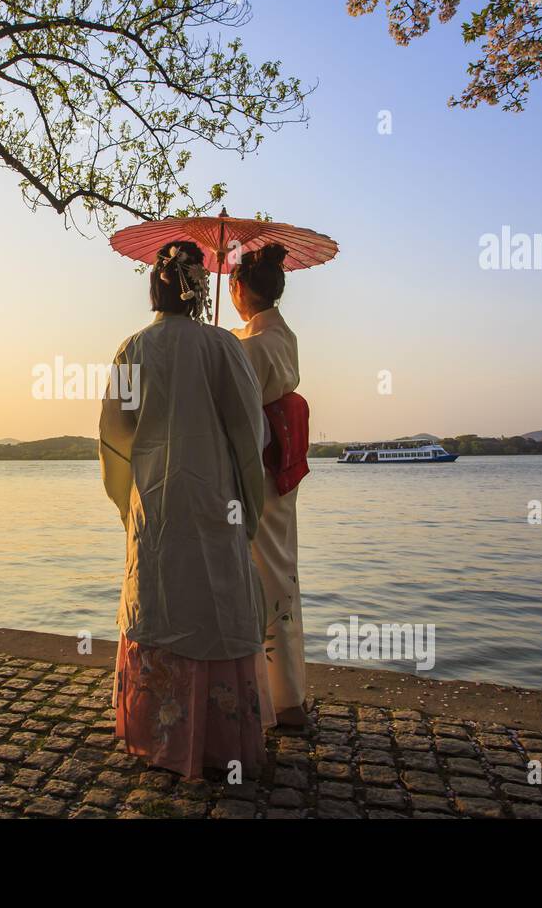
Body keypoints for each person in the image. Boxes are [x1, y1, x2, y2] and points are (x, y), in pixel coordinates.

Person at [99, 240, 273, 779]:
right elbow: (250, 430)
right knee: (214, 598)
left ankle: (158, 734)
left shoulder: (131, 349)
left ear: (155, 287)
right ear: (200, 291)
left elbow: (114, 437)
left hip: (154, 496)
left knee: (160, 596)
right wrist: (252, 497)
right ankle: (222, 741)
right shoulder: (223, 346)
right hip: (215, 496)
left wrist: (127, 498)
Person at [229, 243, 309, 726]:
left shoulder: (251, 347)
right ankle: (289, 695)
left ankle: (265, 698)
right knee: (282, 570)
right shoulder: (281, 337)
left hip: (255, 466)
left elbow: (233, 409)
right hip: (279, 465)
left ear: (239, 288)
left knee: (256, 573)